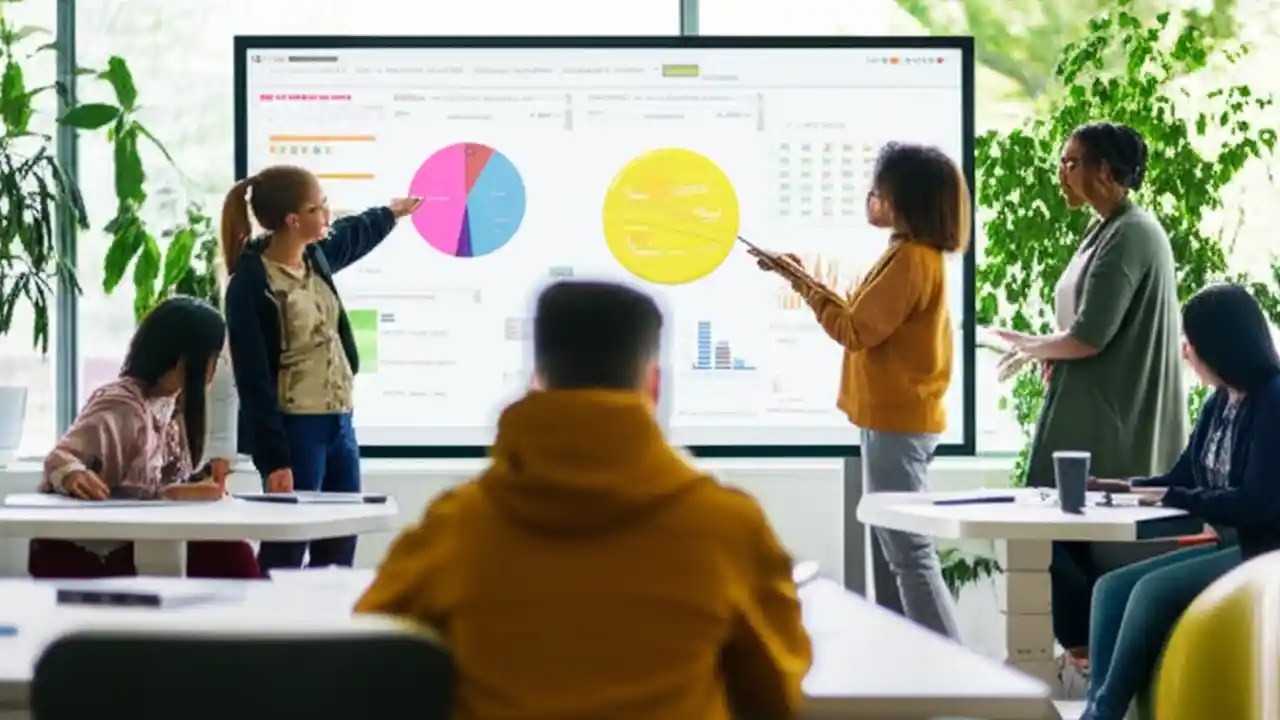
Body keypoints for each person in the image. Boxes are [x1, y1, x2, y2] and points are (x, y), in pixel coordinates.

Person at [355, 280, 811, 719]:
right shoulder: (726, 526)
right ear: (653, 386)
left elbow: (369, 664)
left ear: (536, 381)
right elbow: (778, 694)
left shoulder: (457, 525)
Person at [750, 142, 968, 639]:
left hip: (897, 420)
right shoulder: (909, 254)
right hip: (894, 418)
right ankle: (910, 658)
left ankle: (950, 665)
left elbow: (854, 328)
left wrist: (802, 285)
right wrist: (798, 276)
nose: (871, 197)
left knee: (908, 552)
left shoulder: (910, 259)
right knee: (898, 551)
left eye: (879, 189)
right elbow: (862, 312)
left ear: (902, 199)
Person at [993, 123, 1185, 667]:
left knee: (1059, 538)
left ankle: (1088, 659)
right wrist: (1044, 349)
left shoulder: (1132, 233)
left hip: (1112, 417)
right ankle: (1086, 657)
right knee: (1051, 535)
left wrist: (1032, 346)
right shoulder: (1107, 229)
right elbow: (1082, 331)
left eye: (1071, 162)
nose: (1062, 173)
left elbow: (1092, 334)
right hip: (1087, 406)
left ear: (1105, 170)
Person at [1078, 283, 1280, 720]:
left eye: (1192, 342)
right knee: (1109, 589)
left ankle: (1105, 711)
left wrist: (1170, 495)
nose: (1185, 352)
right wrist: (1123, 487)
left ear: (1220, 345)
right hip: (1231, 543)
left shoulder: (1273, 400)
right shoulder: (1219, 402)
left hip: (1264, 549)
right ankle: (1099, 705)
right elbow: (1183, 477)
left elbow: (1257, 504)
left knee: (1150, 592)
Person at [221, 166, 421, 575]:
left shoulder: (316, 257)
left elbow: (352, 233)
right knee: (287, 550)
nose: (327, 214)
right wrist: (274, 461)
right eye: (317, 208)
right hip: (295, 428)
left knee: (340, 543)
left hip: (339, 423)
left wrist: (391, 213)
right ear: (293, 220)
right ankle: (268, 615)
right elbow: (253, 380)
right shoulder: (250, 284)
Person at [28, 296, 260, 579]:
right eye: (215, 358)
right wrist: (72, 475)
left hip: (134, 541)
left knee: (229, 550)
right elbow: (60, 458)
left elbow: (151, 491)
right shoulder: (122, 406)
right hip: (88, 550)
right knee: (228, 555)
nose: (216, 368)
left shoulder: (170, 404)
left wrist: (184, 490)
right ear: (185, 359)